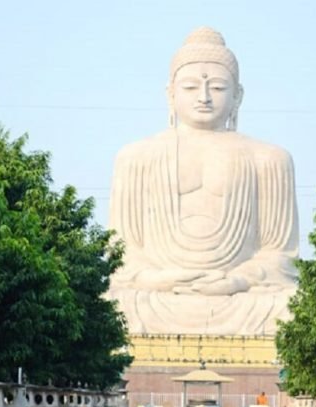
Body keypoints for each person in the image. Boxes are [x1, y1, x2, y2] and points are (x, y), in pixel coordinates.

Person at [107, 27, 299, 335]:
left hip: (241, 299)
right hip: (157, 297)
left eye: (218, 88)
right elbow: (121, 252)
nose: (204, 97)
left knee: (292, 307)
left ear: (238, 95)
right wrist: (159, 278)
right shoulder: (135, 157)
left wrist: (237, 280)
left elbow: (280, 256)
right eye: (190, 87)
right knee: (114, 306)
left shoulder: (270, 159)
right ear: (170, 94)